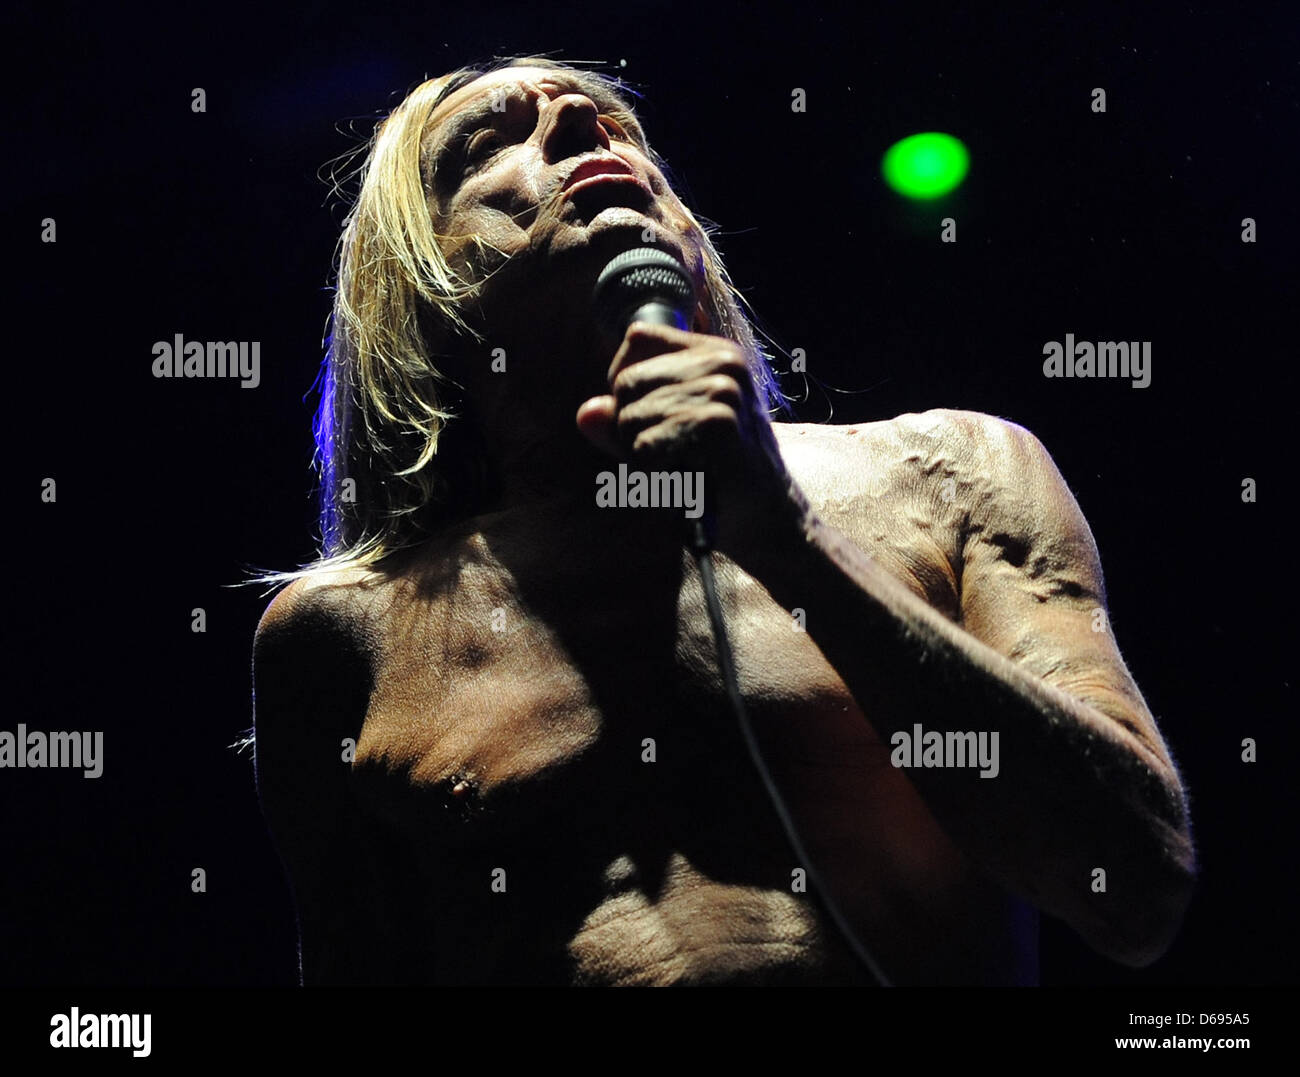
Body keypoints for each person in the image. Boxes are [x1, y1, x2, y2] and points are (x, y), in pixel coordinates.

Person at [252, 55, 1195, 985]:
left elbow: (1136, 883)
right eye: (492, 139)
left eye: (613, 126)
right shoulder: (343, 633)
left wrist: (789, 536)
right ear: (420, 284)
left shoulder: (946, 470)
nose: (584, 131)